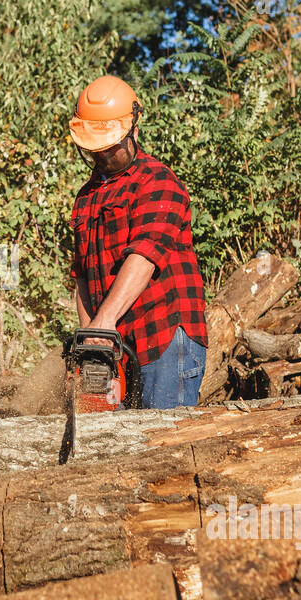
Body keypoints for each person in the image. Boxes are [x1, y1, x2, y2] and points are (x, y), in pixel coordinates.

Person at [67, 74, 208, 408]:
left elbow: (144, 257)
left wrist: (103, 323)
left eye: (110, 146)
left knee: (163, 443)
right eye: (95, 149)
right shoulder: (87, 197)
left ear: (133, 130)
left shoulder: (157, 181)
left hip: (161, 334)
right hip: (118, 338)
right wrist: (91, 340)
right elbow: (83, 276)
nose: (103, 155)